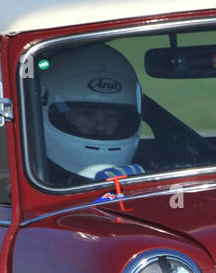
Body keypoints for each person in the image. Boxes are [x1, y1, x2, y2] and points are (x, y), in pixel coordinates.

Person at [38, 43, 143, 184]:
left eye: (112, 116)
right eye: (86, 114)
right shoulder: (27, 176)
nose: (100, 126)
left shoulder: (145, 173)